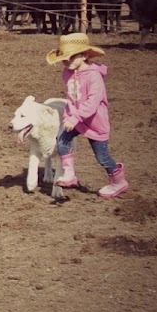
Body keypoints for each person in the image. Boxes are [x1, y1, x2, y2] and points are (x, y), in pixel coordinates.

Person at [46, 32, 129, 198]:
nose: (66, 62)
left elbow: (92, 102)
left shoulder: (94, 76)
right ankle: (69, 173)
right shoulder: (67, 73)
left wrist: (76, 117)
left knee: (102, 156)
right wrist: (69, 116)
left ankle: (118, 181)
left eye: (71, 57)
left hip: (94, 121)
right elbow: (71, 97)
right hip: (76, 118)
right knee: (62, 139)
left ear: (84, 55)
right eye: (64, 58)